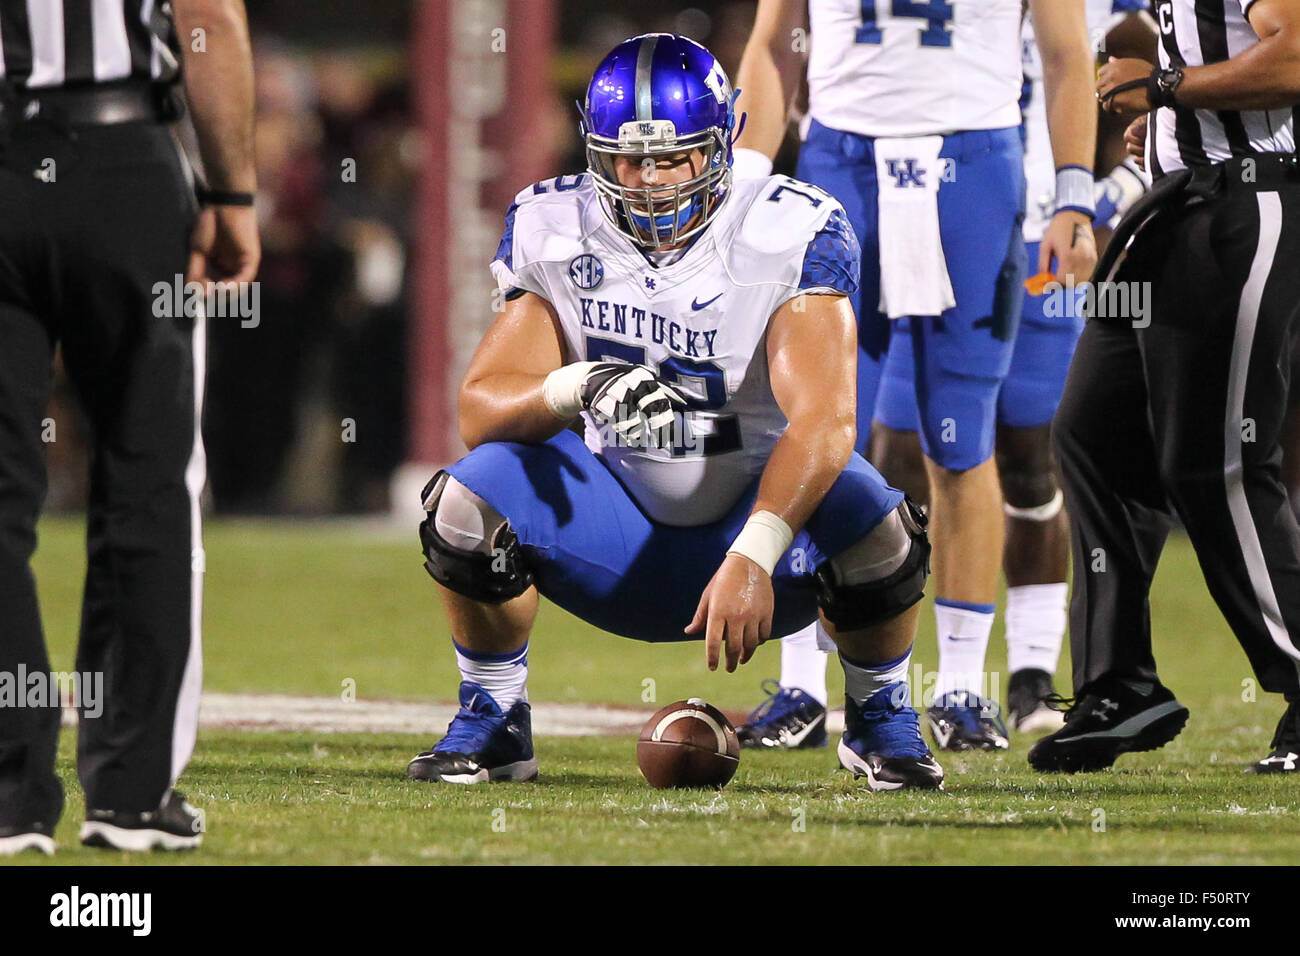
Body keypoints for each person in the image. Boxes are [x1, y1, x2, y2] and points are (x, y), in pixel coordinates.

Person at [407, 33, 943, 793]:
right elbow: (481, 408)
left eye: (673, 157)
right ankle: (495, 720)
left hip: (755, 524)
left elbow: (824, 422)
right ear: (596, 151)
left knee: (877, 522)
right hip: (614, 527)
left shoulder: (789, 228)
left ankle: (880, 718)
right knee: (465, 504)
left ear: (724, 143)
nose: (651, 181)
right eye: (630, 159)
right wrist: (575, 387)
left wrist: (756, 553)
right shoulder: (556, 225)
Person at [729, 0, 1099, 751]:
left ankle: (962, 686)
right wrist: (743, 186)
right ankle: (802, 680)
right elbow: (774, 47)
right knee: (818, 428)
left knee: (959, 434)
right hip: (842, 162)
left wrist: (1075, 194)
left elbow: (1067, 55)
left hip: (976, 169)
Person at [0, 0, 259, 854]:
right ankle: (129, 792)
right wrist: (231, 191)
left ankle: (10, 793)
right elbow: (208, 19)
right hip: (123, 165)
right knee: (145, 486)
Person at [1029, 0, 1300, 773]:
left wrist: (1173, 86)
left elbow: (1294, 55)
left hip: (1244, 202)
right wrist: (1176, 119)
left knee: (1216, 464)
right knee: (1092, 437)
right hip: (1172, 207)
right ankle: (1120, 682)